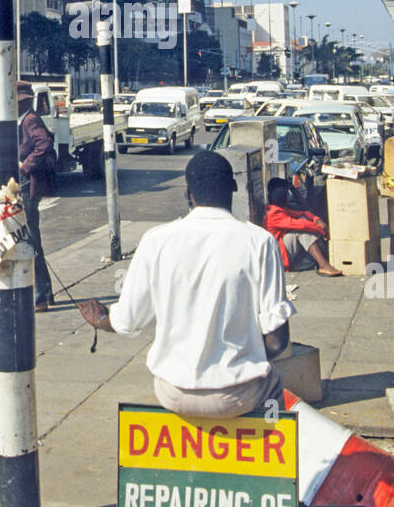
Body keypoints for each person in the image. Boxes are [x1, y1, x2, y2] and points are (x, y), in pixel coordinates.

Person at [76, 150, 294, 418]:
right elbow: (277, 342)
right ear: (234, 187)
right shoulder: (260, 243)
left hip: (172, 393)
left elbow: (127, 322)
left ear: (187, 193)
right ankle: (267, 454)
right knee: (275, 383)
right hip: (237, 397)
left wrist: (100, 320)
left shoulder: (156, 241)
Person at [17, 80, 56, 312]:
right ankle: (46, 293)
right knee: (33, 240)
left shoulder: (29, 119)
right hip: (25, 182)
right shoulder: (25, 119)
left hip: (27, 183)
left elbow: (44, 143)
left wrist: (25, 166)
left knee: (32, 240)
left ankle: (40, 296)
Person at [263, 177, 342, 276]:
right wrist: (321, 230)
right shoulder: (273, 214)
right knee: (301, 230)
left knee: (304, 218)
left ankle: (324, 258)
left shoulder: (273, 208)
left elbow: (302, 212)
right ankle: (323, 265)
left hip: (280, 249)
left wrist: (317, 220)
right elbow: (301, 225)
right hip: (278, 257)